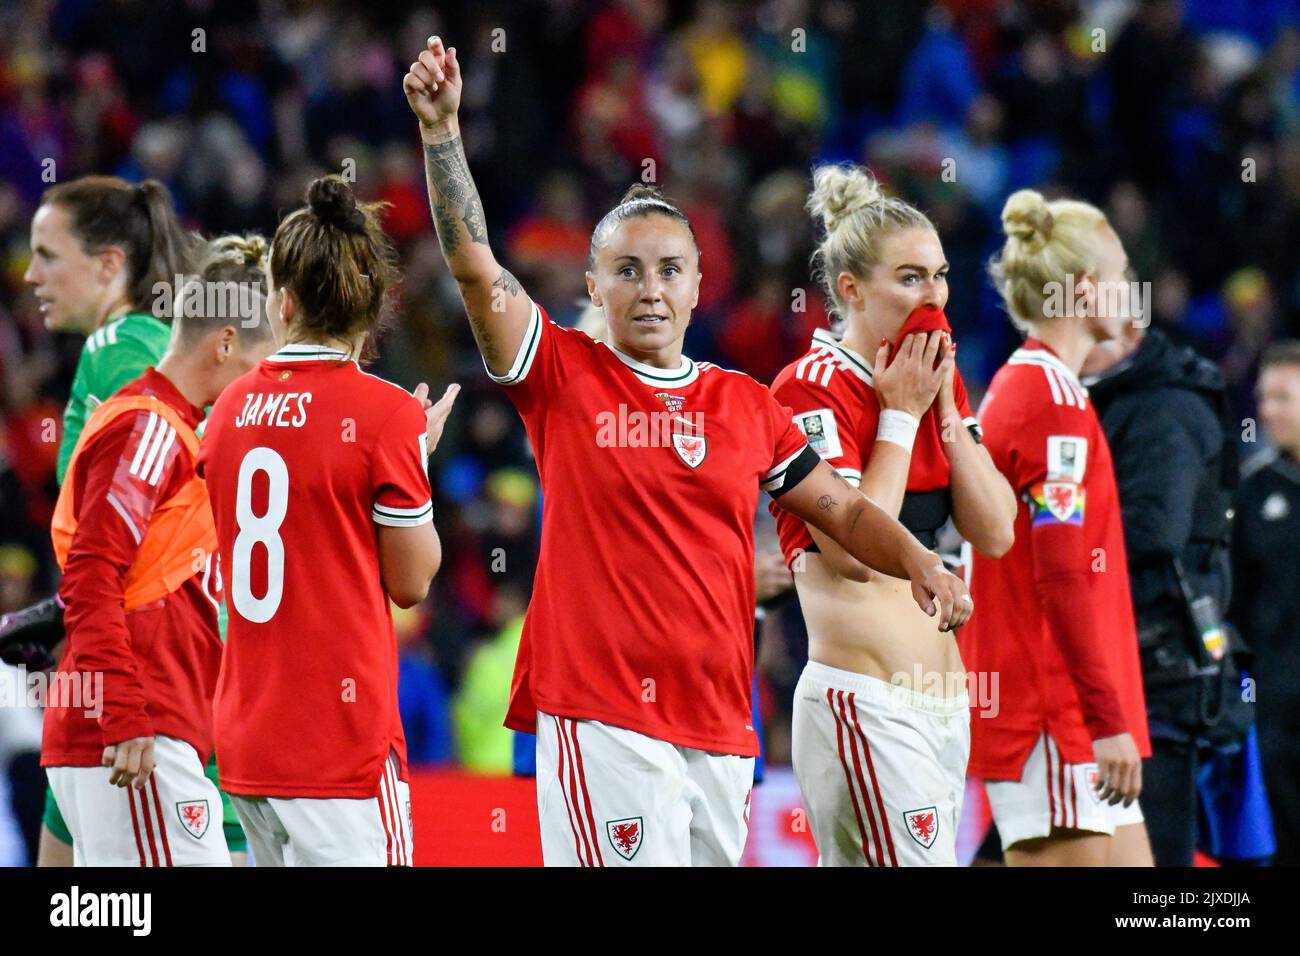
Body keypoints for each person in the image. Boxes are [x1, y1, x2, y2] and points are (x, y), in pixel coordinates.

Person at [405, 35, 971, 867]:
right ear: (594, 288)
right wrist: (443, 135)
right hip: (603, 719)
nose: (651, 289)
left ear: (699, 285)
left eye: (671, 269)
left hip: (718, 725)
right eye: (627, 271)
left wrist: (918, 559)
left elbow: (844, 509)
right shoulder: (563, 374)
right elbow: (472, 262)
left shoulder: (743, 402)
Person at [198, 176, 457, 867]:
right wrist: (415, 462)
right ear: (373, 307)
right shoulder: (386, 415)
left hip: (248, 740)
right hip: (337, 748)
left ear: (282, 302)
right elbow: (412, 582)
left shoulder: (224, 413)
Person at [771, 164, 1017, 867]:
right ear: (851, 290)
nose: (933, 294)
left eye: (939, 275)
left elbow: (995, 532)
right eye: (910, 278)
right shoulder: (808, 389)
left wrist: (942, 410)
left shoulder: (938, 378)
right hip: (864, 701)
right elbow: (851, 545)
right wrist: (901, 418)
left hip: (942, 707)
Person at [40, 234, 279, 866]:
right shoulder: (150, 427)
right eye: (268, 362)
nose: (269, 386)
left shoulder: (171, 429)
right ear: (226, 343)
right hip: (134, 733)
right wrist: (124, 714)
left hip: (136, 731)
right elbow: (91, 572)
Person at [964, 189, 1153, 866]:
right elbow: (1063, 576)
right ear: (1081, 288)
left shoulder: (1030, 387)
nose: (1133, 290)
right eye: (1122, 274)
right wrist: (1107, 722)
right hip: (1054, 713)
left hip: (1063, 709)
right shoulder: (1053, 403)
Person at [14, 175, 195, 867]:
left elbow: (157, 525)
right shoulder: (125, 345)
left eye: (48, 255)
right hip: (106, 661)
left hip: (142, 681)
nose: (32, 274)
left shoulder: (121, 347)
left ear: (111, 263)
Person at [1082, 317, 1251, 866]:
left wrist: (1052, 539)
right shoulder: (1112, 398)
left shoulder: (1166, 407)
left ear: (1130, 333)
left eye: (1092, 336)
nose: (1076, 349)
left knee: (1161, 870)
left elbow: (1154, 528)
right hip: (1123, 667)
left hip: (1161, 674)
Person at [1231, 341, 1300, 866]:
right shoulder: (1256, 491)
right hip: (1277, 705)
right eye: (1263, 398)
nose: (1267, 411)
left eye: (1282, 397)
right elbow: (1236, 606)